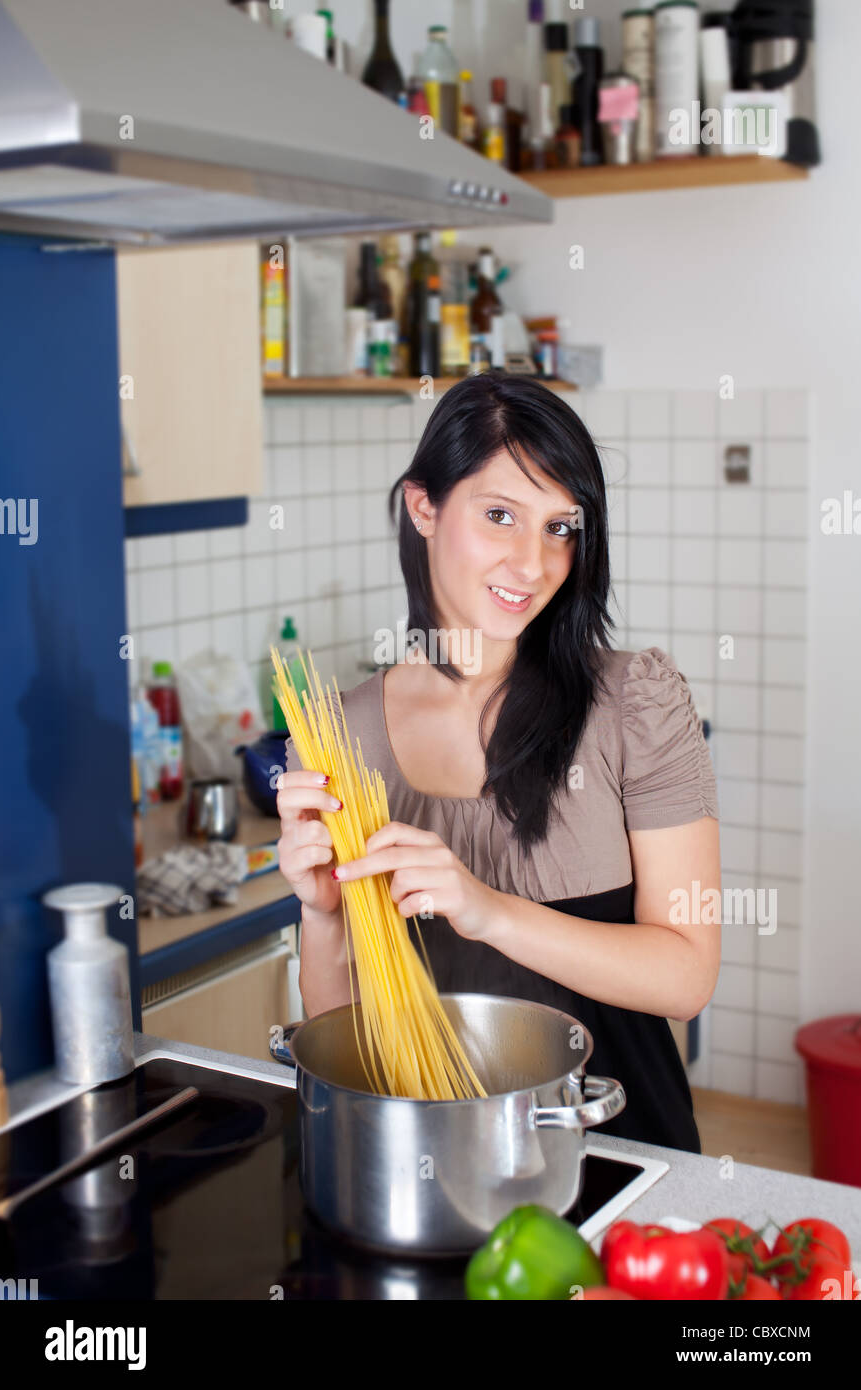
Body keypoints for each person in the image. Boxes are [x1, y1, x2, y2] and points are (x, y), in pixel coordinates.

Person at [276, 371, 720, 1153]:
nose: (532, 562)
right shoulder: (340, 736)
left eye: (560, 527)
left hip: (622, 1159)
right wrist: (321, 914)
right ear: (424, 507)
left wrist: (489, 910)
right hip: (432, 1171)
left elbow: (686, 979)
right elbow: (342, 1032)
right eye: (499, 515)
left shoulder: (636, 702)